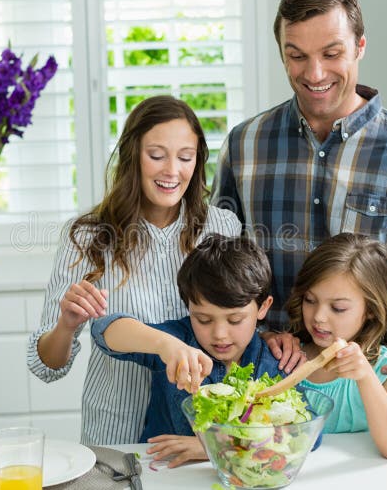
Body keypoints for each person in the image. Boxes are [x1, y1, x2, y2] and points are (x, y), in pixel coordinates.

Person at [211, 0, 387, 410]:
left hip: (371, 388)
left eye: (331, 53)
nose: (314, 74)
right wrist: (251, 331)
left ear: (359, 47)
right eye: (296, 56)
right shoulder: (244, 145)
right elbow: (218, 263)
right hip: (261, 382)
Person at [26, 95, 242, 445]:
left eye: (185, 157)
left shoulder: (223, 228)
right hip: (116, 430)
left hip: (200, 432)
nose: (172, 170)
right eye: (156, 155)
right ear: (132, 157)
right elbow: (47, 366)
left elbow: (239, 328)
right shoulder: (86, 237)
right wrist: (66, 325)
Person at [90, 233, 282, 467]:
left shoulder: (274, 361)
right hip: (163, 474)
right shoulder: (178, 339)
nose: (219, 334)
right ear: (188, 306)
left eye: (234, 320)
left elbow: (307, 435)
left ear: (263, 307)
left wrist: (215, 446)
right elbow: (103, 331)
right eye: (203, 319)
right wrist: (165, 345)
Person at [287, 233, 387, 459]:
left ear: (372, 309)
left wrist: (365, 377)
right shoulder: (288, 358)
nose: (319, 317)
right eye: (310, 300)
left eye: (338, 308)